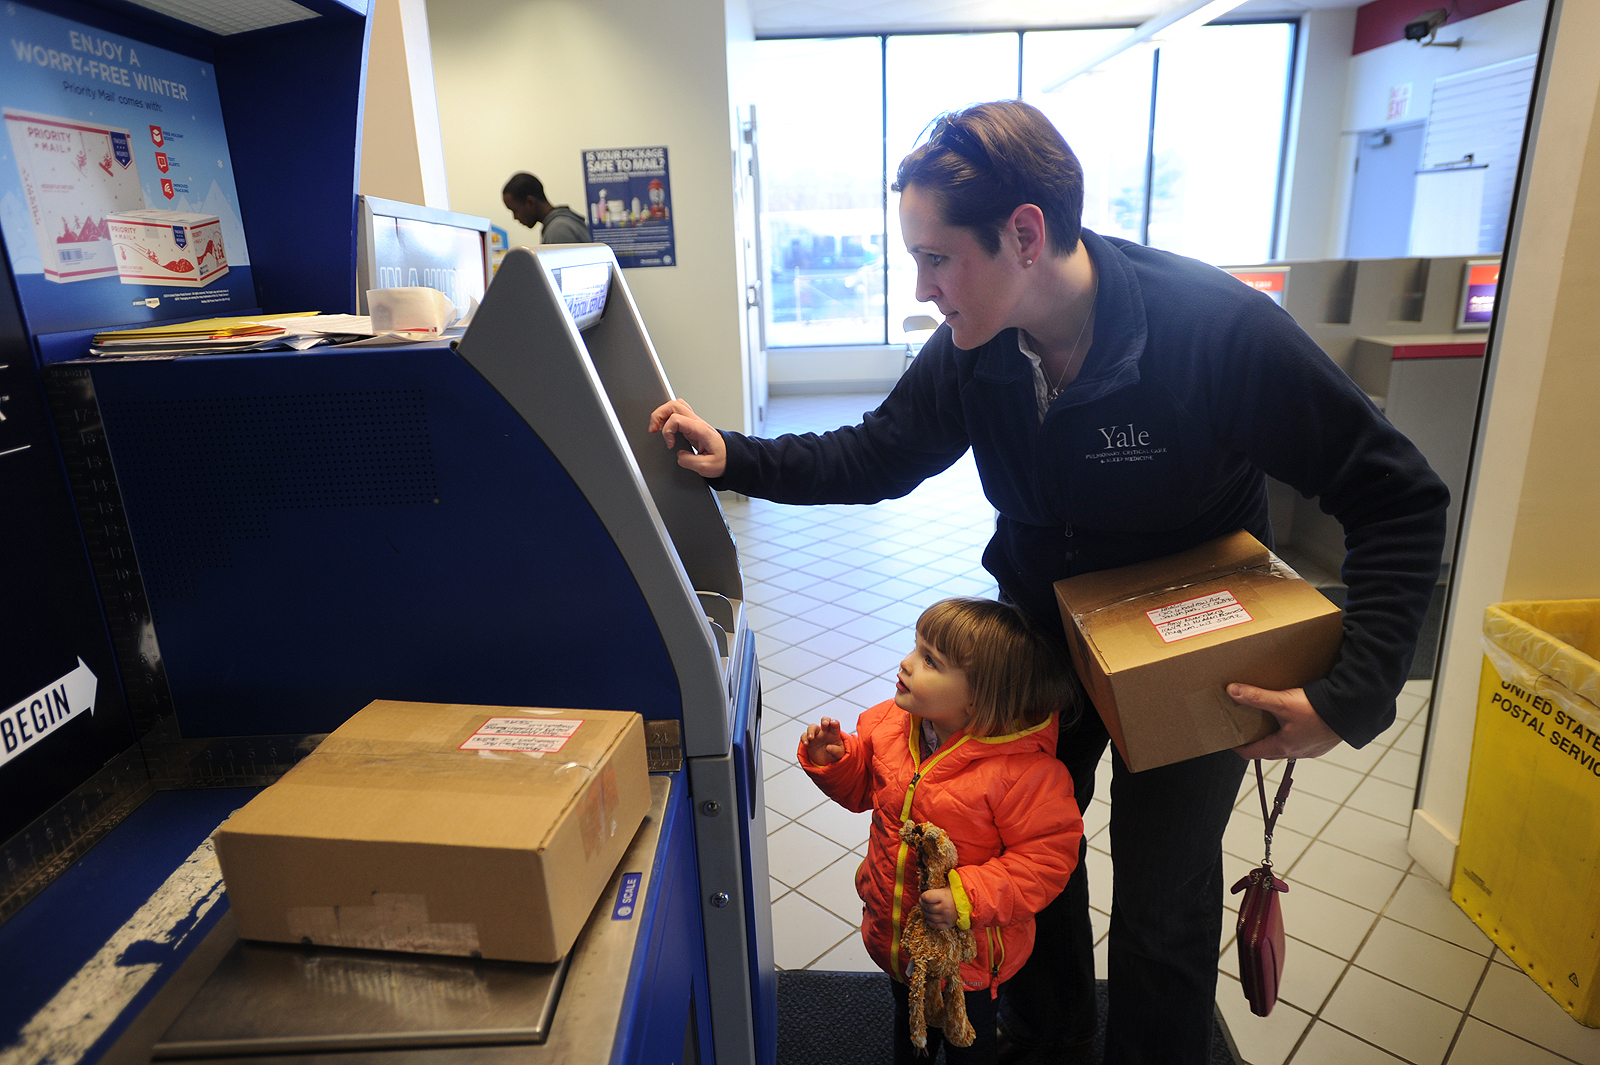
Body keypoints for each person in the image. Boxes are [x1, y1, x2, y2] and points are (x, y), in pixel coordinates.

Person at [650, 99, 1449, 1065]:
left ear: (1025, 234)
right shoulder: (977, 346)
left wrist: (1349, 695)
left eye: (937, 258)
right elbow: (881, 451)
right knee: (1024, 859)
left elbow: (1397, 494)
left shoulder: (1213, 328)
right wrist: (734, 454)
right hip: (1038, 644)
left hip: (1190, 652)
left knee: (1163, 894)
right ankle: (1052, 1039)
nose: (922, 287)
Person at [800, 597, 1083, 1065]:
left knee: (967, 1040)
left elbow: (1045, 862)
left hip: (968, 955)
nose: (907, 663)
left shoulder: (1026, 775)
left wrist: (966, 896)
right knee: (908, 1023)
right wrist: (837, 761)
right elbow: (866, 790)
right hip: (898, 931)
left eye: (930, 660)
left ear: (980, 699)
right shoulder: (890, 727)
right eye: (917, 647)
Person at [501, 172, 589, 244]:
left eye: (515, 211)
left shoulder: (558, 231)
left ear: (530, 202)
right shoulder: (565, 223)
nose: (515, 217)